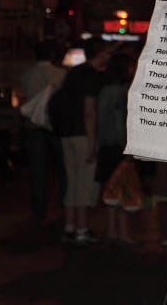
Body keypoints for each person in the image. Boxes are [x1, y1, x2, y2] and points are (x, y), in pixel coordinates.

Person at [55, 38, 114, 244]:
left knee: (72, 181)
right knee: (84, 183)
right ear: (100, 53)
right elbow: (89, 112)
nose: (109, 55)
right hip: (82, 135)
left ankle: (69, 226)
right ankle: (81, 228)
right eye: (106, 51)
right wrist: (92, 142)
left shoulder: (74, 72)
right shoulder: (91, 77)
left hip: (66, 134)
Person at [19, 40, 67, 222]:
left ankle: (39, 209)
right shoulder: (61, 74)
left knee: (37, 170)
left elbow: (24, 99)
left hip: (33, 126)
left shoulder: (27, 75)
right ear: (53, 55)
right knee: (63, 169)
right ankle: (64, 204)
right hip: (56, 127)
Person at [96, 52, 139, 245]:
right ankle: (123, 233)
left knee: (111, 190)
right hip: (119, 146)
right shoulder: (122, 92)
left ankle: (112, 230)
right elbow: (121, 122)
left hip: (107, 145)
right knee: (124, 188)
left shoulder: (106, 90)